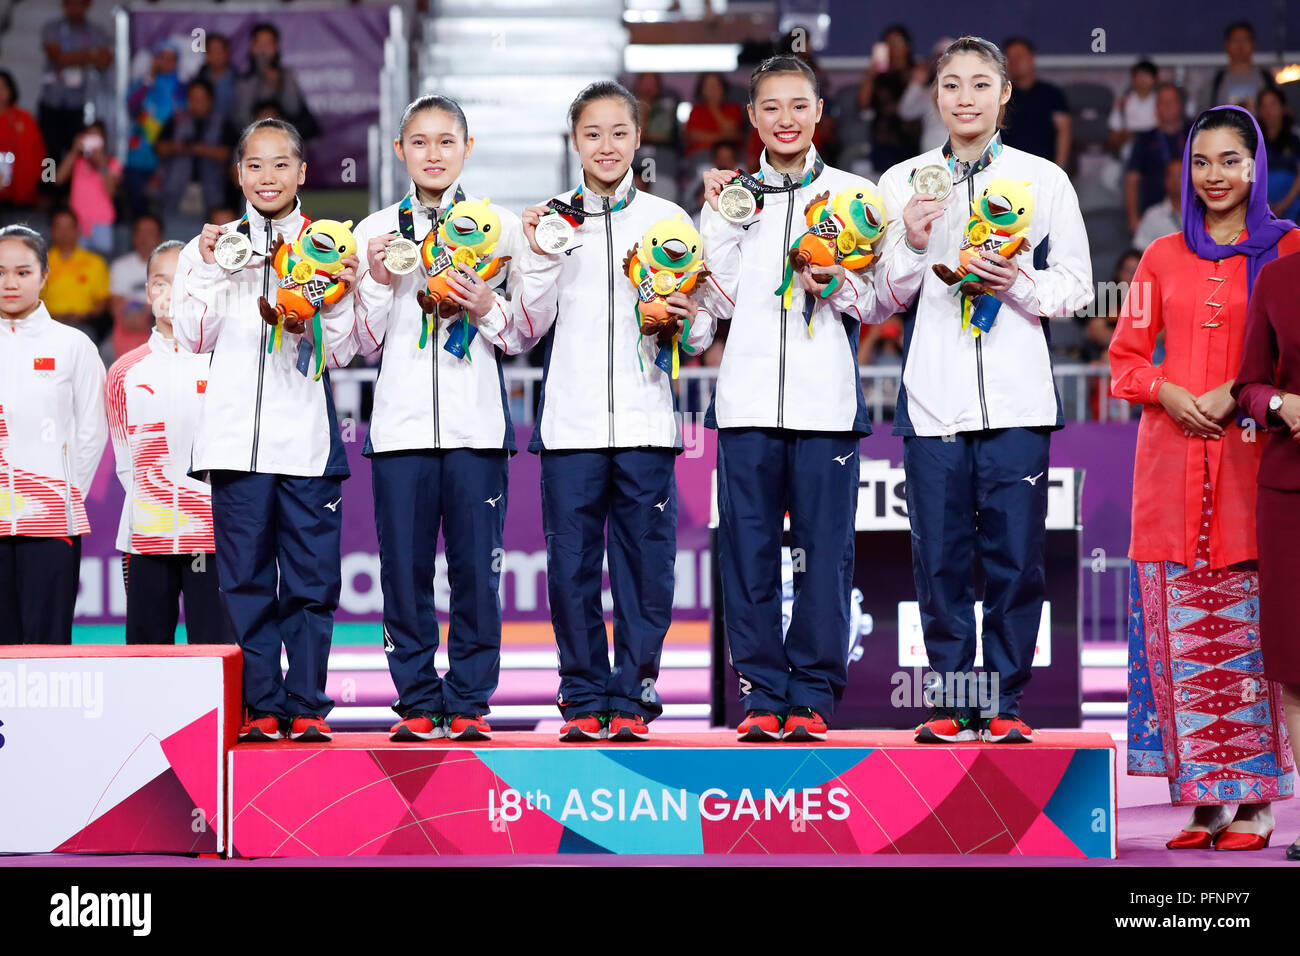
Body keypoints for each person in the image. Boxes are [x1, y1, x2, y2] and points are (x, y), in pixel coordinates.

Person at [876, 36, 1093, 743]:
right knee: (938, 561)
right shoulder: (903, 180)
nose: (964, 98)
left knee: (1013, 558)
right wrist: (908, 242)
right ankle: (952, 699)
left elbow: (1079, 290)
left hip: (1017, 401)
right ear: (936, 97)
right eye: (951, 85)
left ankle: (1001, 701)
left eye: (979, 84)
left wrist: (1018, 282)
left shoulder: (1043, 180)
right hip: (934, 402)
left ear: (1004, 95)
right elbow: (879, 300)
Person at [1113, 106, 1299, 852]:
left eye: (1230, 161)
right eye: (1201, 163)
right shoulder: (1160, 255)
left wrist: (1233, 394)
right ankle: (1202, 803)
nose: (1215, 177)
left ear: (1257, 168)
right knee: (1179, 646)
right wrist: (1166, 390)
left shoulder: (1287, 251)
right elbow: (1126, 358)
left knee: (1258, 645)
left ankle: (1255, 805)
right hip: (1166, 469)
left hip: (1259, 468)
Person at [511, 81, 714, 742]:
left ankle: (633, 692)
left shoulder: (669, 221)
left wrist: (686, 324)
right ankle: (580, 694)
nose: (606, 145)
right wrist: (540, 257)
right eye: (592, 133)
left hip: (647, 425)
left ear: (637, 139)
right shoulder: (545, 225)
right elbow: (524, 328)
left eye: (618, 133)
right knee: (570, 569)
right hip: (569, 426)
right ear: (575, 141)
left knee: (645, 568)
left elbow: (704, 330)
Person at [701, 55, 892, 742]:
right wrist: (721, 217)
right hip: (747, 404)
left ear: (818, 113)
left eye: (798, 105)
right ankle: (761, 692)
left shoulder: (857, 197)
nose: (785, 119)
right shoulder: (731, 200)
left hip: (825, 406)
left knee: (826, 553)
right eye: (771, 107)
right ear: (752, 118)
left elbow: (879, 301)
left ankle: (812, 692)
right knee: (747, 552)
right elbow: (710, 301)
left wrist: (835, 280)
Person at [171, 118, 358, 742]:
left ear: (303, 173)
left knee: (310, 584)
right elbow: (193, 338)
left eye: (281, 165)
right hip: (233, 442)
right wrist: (204, 269)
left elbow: (355, 347)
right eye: (255, 165)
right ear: (239, 173)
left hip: (307, 441)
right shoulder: (214, 247)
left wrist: (337, 300)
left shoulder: (331, 242)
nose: (268, 176)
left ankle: (306, 704)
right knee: (245, 582)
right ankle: (260, 705)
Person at [347, 95, 525, 743]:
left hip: (477, 428)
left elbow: (522, 335)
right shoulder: (373, 231)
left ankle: (471, 699)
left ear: (467, 148)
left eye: (445, 141)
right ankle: (419, 699)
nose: (433, 153)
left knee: (478, 569)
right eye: (419, 143)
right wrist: (369, 281)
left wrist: (486, 305)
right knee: (405, 571)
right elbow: (362, 344)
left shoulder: (501, 228)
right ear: (400, 152)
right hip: (399, 432)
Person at [107, 240, 236, 645]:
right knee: (146, 650)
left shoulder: (227, 364)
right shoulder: (124, 372)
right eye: (160, 283)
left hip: (215, 539)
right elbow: (125, 463)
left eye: (184, 280)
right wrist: (159, 508)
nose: (171, 292)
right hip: (147, 538)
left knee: (217, 651)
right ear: (147, 292)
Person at [1233, 193, 1300, 867]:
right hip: (1290, 493)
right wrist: (1281, 401)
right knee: (1296, 664)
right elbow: (1248, 384)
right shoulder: (1278, 279)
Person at [0, 224, 107, 644]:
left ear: (45, 276)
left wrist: (61, 496)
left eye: (23, 272)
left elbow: (92, 433)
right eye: (1, 271)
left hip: (51, 522)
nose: (10, 282)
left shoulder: (72, 346)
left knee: (45, 646)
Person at [155, 78, 237, 241]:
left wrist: (201, 149)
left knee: (210, 239)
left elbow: (229, 153)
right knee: (175, 239)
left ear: (211, 100)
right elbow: (159, 148)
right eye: (193, 99)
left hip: (213, 195)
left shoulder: (223, 123)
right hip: (177, 192)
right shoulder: (176, 120)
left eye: (201, 99)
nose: (197, 103)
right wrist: (179, 147)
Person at [37, 0, 113, 166]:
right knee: (49, 151)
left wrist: (70, 57)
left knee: (77, 149)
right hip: (52, 100)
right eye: (71, 4)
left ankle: (72, 188)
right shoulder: (53, 27)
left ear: (87, 6)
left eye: (79, 4)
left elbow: (107, 59)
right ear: (64, 5)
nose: (75, 9)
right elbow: (57, 57)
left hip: (79, 101)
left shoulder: (96, 31)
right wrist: (91, 55)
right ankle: (49, 185)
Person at [1126, 83, 1189, 233]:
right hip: (1153, 217)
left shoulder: (1194, 135)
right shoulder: (1144, 140)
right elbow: (1131, 180)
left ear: (1181, 105)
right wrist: (1133, 218)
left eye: (1171, 102)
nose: (1167, 106)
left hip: (1191, 213)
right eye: (1162, 102)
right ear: (1156, 108)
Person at [1000, 36, 1071, 169]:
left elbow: (1064, 131)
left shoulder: (1051, 93)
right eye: (1010, 58)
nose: (1014, 62)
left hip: (1044, 167)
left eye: (1019, 56)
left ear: (1031, 58)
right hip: (1007, 168)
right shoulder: (1000, 95)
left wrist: (1059, 169)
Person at [43, 206, 109, 343]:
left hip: (84, 325)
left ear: (78, 230)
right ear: (52, 231)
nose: (64, 233)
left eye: (69, 227)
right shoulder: (38, 263)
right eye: (59, 227)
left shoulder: (95, 262)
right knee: (44, 360)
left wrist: (82, 316)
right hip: (47, 324)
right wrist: (53, 317)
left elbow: (102, 303)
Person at [54, 121, 121, 257]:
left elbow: (111, 192)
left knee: (102, 261)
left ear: (104, 140)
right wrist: (74, 151)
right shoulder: (77, 161)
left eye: (96, 137)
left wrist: (101, 163)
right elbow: (57, 179)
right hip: (76, 223)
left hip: (101, 222)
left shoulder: (112, 163)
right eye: (89, 136)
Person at [235, 23, 313, 136]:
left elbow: (294, 110)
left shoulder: (286, 75)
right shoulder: (243, 81)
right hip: (253, 139)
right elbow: (240, 119)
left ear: (276, 48)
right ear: (252, 47)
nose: (262, 50)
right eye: (259, 43)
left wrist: (279, 85)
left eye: (267, 44)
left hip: (285, 138)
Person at [108, 213, 163, 362]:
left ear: (160, 238)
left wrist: (145, 313)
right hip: (125, 326)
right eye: (140, 232)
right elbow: (116, 306)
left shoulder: (171, 267)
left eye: (150, 233)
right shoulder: (120, 266)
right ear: (133, 237)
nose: (144, 238)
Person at [0, 71, 47, 223]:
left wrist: (47, 187)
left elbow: (45, 156)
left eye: (3, 87)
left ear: (11, 90)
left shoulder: (25, 119)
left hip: (26, 200)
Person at [1207, 21, 1277, 114]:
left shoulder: (1267, 79)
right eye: (1235, 40)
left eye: (1245, 40)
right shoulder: (1215, 82)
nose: (1240, 45)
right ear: (1226, 46)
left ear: (1253, 45)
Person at [1257, 87, 1300, 221]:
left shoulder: (1295, 138)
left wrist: (1283, 206)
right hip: (1260, 210)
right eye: (1264, 106)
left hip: (1292, 209)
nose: (1268, 111)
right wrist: (1264, 205)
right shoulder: (1253, 140)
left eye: (1272, 105)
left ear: (1283, 108)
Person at [684, 72, 743, 157]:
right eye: (708, 86)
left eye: (716, 85)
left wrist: (714, 108)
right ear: (702, 90)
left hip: (728, 156)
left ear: (723, 88)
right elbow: (692, 135)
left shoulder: (733, 108)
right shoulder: (696, 110)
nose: (712, 89)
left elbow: (732, 132)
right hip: (700, 154)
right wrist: (722, 137)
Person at [1108, 60, 1160, 152]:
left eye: (1147, 75)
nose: (1143, 79)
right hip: (1128, 152)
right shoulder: (1123, 103)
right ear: (1133, 79)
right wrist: (1125, 136)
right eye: (1140, 75)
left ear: (1155, 79)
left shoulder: (1161, 102)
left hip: (1155, 150)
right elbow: (1113, 138)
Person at [1132, 157, 1183, 250]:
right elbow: (1139, 249)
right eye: (1171, 175)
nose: (1175, 181)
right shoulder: (1152, 215)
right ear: (1165, 181)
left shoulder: (1201, 213)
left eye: (1180, 175)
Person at [195, 33, 237, 120]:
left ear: (227, 54)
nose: (216, 56)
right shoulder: (198, 81)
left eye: (220, 51)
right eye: (212, 51)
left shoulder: (238, 80)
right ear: (206, 55)